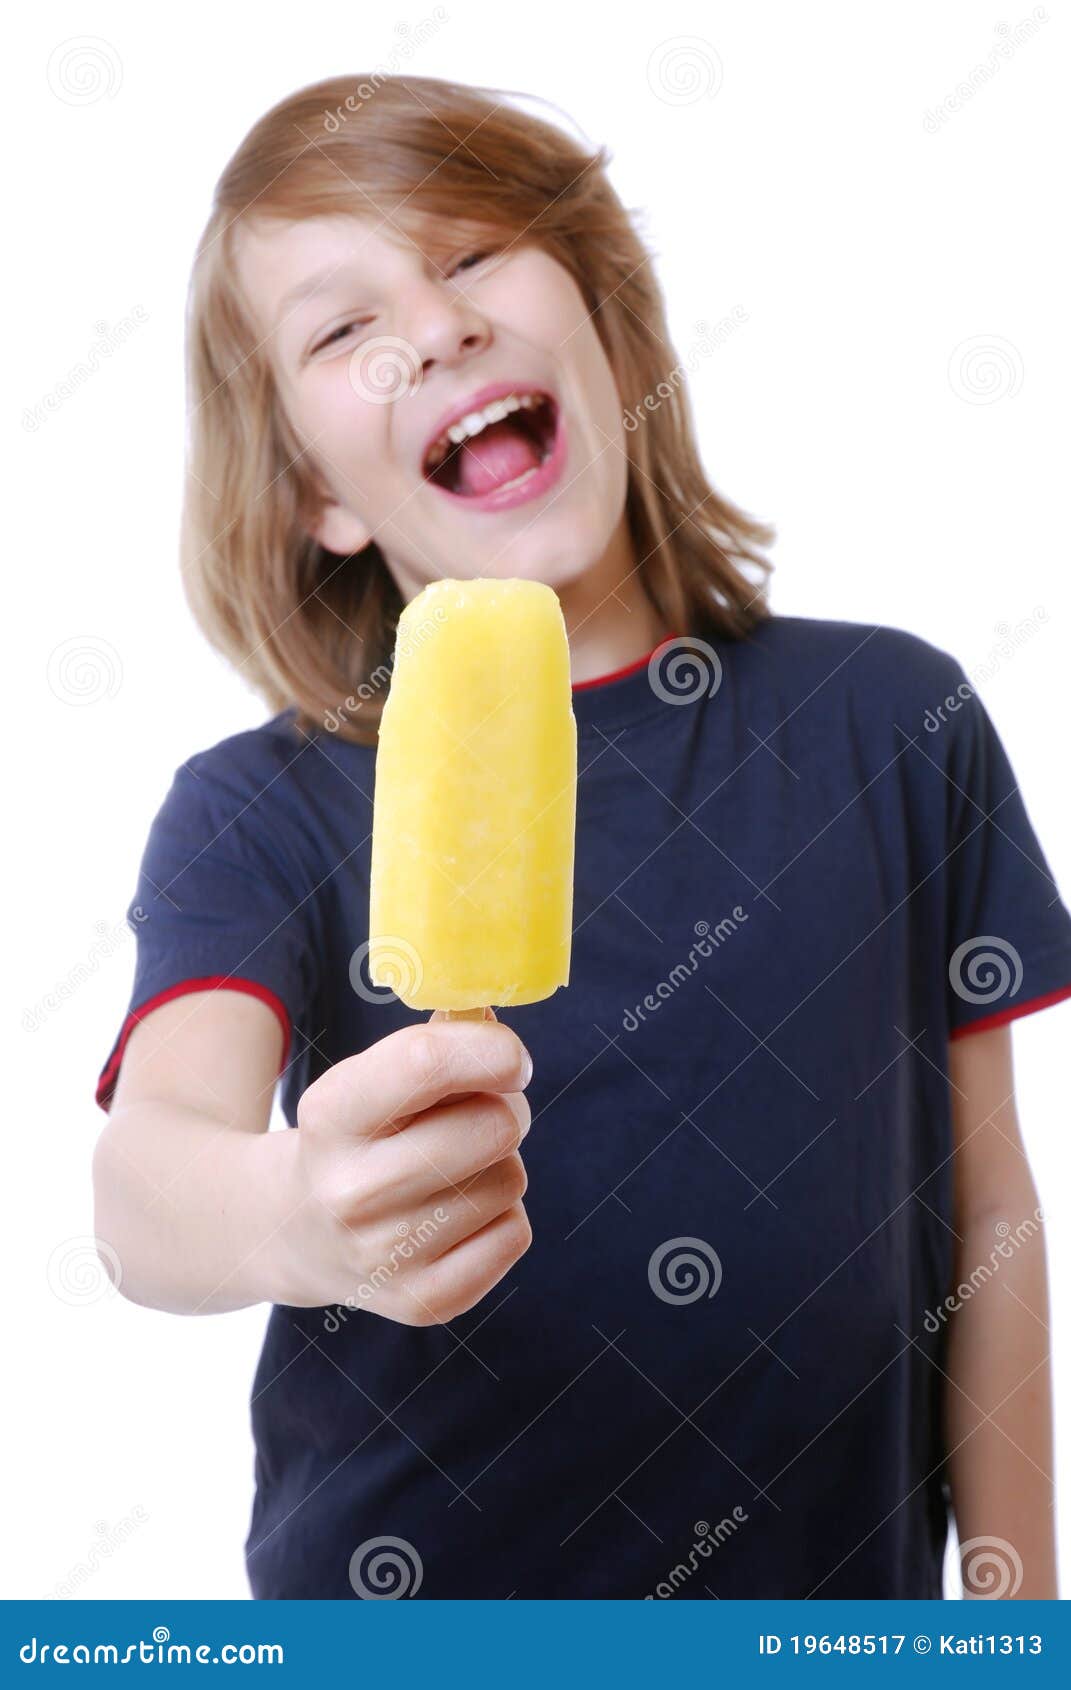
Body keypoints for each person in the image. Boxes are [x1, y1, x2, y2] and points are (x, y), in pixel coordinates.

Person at [92, 74, 1071, 1600]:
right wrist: (298, 1218)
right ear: (310, 493)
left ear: (604, 319)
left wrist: (1018, 1607)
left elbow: (990, 1205)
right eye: (344, 328)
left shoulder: (893, 719)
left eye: (473, 253)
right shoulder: (260, 806)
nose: (433, 324)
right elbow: (148, 1182)